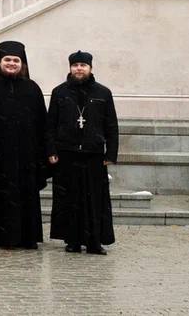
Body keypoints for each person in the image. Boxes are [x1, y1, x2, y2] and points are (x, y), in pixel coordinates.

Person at [0, 40, 48, 250]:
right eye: (7, 60)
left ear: (22, 64)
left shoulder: (32, 88)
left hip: (26, 157)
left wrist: (43, 153)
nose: (12, 64)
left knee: (24, 196)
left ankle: (27, 236)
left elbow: (42, 123)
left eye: (16, 60)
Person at [47, 50, 118, 254]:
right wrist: (51, 149)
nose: (79, 68)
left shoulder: (103, 93)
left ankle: (95, 241)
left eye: (83, 65)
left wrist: (110, 154)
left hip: (93, 154)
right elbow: (50, 124)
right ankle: (73, 240)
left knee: (95, 200)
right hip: (66, 153)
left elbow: (111, 125)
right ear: (70, 68)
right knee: (70, 199)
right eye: (75, 65)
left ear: (90, 68)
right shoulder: (59, 92)